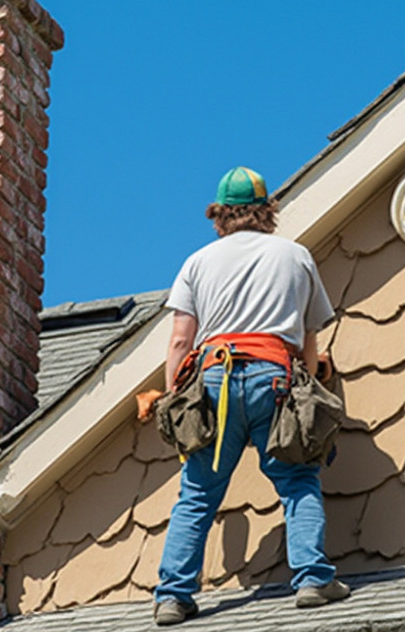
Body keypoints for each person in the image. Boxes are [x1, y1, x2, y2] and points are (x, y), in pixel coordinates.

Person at [149, 166, 348, 626]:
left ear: (219, 215)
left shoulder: (198, 262)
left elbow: (180, 340)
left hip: (213, 381)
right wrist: (309, 384)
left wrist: (175, 395)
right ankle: (313, 580)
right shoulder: (294, 256)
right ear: (266, 211)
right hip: (274, 376)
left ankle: (173, 597)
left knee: (197, 493)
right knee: (296, 480)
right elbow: (309, 339)